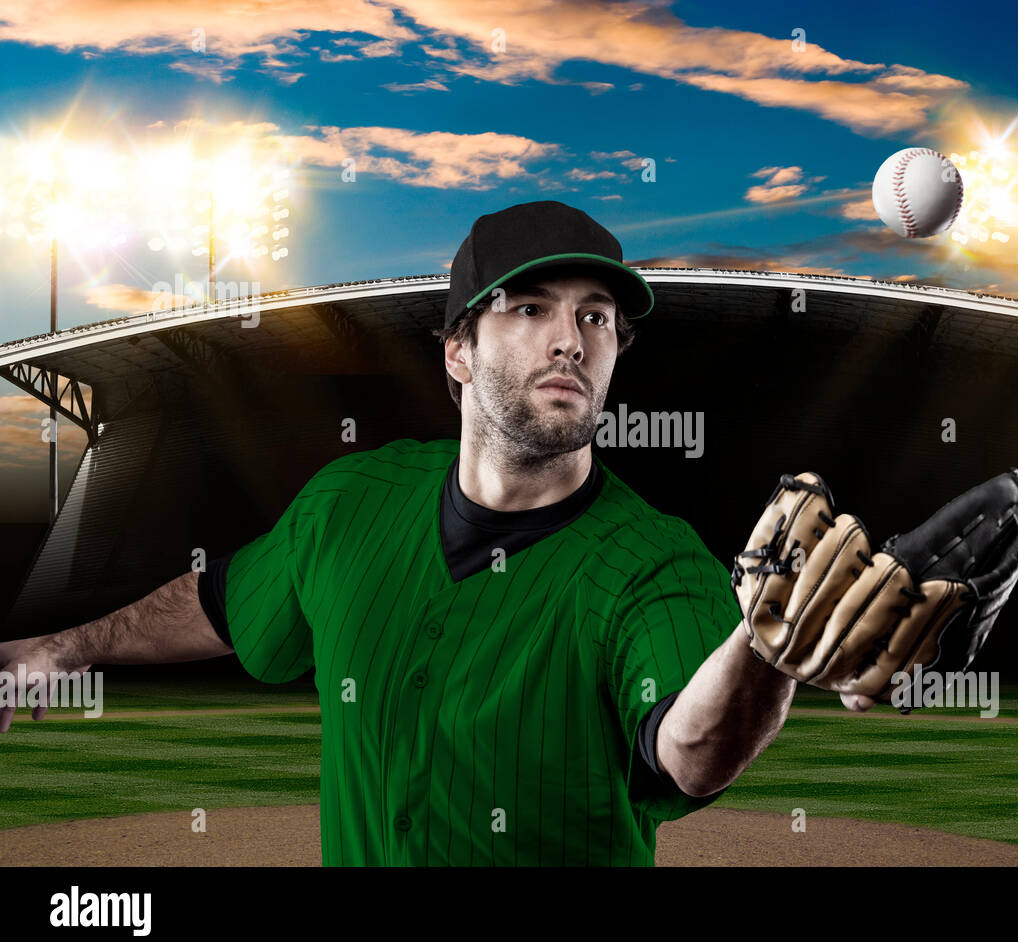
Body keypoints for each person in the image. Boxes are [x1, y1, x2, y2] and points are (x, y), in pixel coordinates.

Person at [0, 200, 853, 866]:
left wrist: (760, 649)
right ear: (457, 352)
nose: (570, 341)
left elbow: (685, 751)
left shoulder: (653, 562)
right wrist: (64, 647)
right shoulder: (351, 501)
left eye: (596, 318)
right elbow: (224, 601)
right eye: (529, 308)